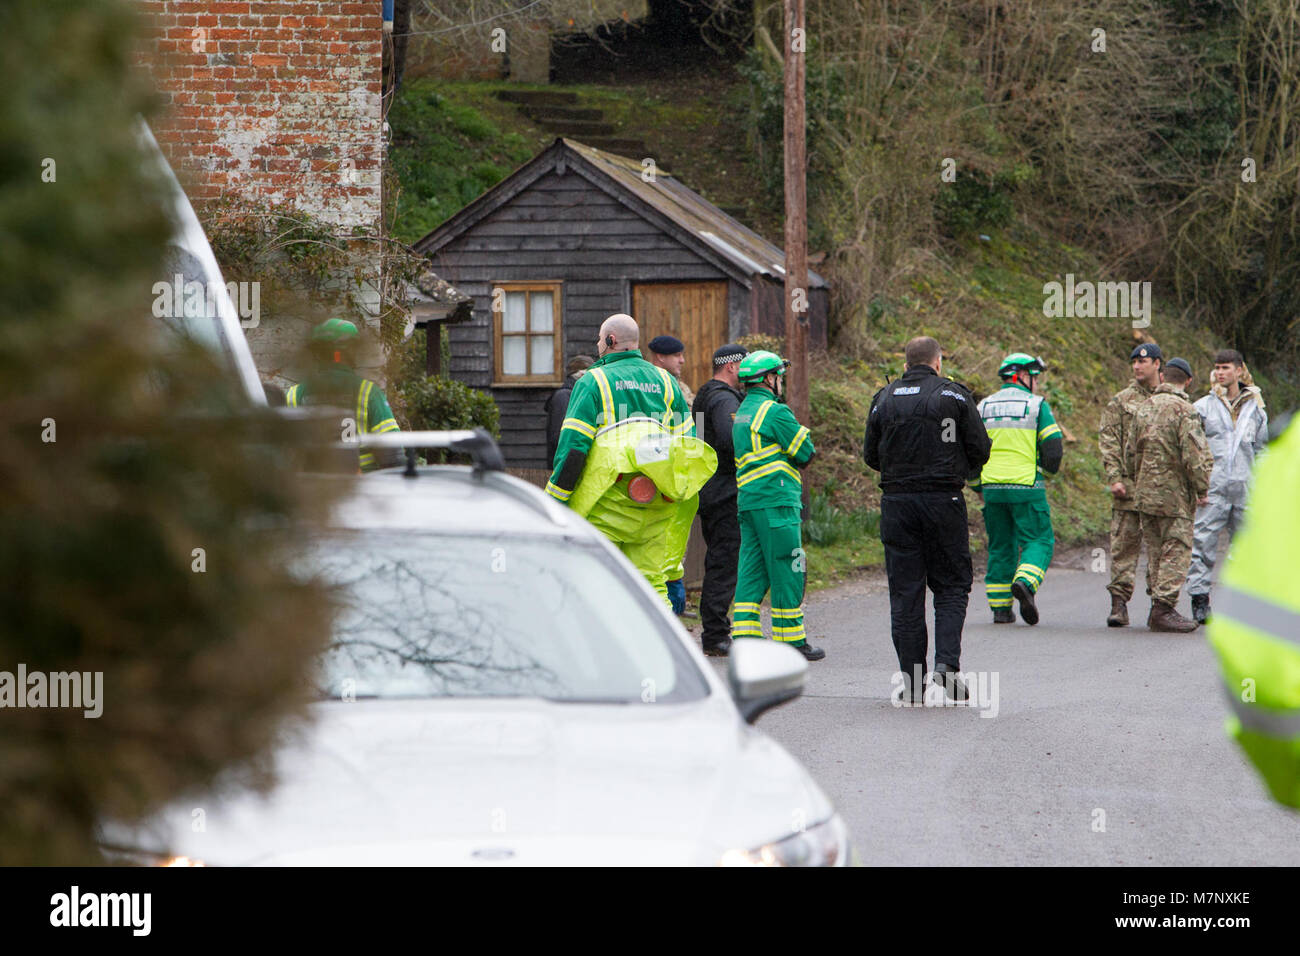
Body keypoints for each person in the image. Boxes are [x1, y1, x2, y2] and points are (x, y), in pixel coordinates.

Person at [546, 314, 714, 605]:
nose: (599, 345)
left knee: (597, 583)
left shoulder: (592, 382)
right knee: (651, 585)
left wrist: (555, 501)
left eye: (600, 340)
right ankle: (655, 647)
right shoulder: (666, 381)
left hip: (607, 502)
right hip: (656, 505)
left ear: (610, 340)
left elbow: (574, 449)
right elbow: (690, 446)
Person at [864, 336, 990, 702]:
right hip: (943, 501)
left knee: (906, 593)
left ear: (906, 365)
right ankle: (946, 665)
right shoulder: (953, 396)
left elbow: (871, 455)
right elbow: (980, 448)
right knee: (951, 585)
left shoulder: (884, 399)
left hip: (897, 504)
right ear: (938, 363)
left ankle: (913, 683)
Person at [1206, 416, 1300, 808]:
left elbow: (1262, 661)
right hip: (1215, 489)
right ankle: (1187, 599)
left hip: (1239, 488)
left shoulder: (1286, 445)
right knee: (1199, 546)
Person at [731, 350, 824, 661]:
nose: (780, 382)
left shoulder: (742, 412)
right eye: (778, 376)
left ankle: (745, 639)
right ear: (769, 379)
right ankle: (792, 641)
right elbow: (806, 453)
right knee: (788, 565)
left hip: (749, 502)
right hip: (777, 501)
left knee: (751, 570)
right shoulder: (775, 412)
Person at [972, 353, 1063, 625]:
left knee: (1001, 546)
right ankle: (1025, 582)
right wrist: (1044, 473)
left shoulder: (982, 406)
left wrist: (977, 484)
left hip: (992, 488)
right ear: (1022, 376)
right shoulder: (1037, 406)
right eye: (1034, 377)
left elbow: (970, 451)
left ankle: (1001, 609)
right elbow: (1053, 449)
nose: (1036, 382)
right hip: (1026, 487)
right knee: (1039, 540)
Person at [1131, 357, 1214, 632]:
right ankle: (1163, 608)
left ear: (1163, 377)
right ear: (1188, 381)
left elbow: (1131, 451)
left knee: (1155, 549)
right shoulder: (1185, 411)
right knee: (1176, 549)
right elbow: (1195, 455)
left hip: (1145, 493)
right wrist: (1202, 487)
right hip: (1174, 495)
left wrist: (1138, 481)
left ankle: (1158, 603)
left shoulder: (1142, 409)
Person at [1188, 349, 1268, 623]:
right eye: (1217, 368)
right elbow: (1193, 449)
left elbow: (1262, 449)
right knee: (1202, 543)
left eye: (1225, 368)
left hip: (1245, 486)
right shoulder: (1202, 407)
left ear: (1238, 370)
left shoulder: (1255, 407)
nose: (1220, 372)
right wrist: (1197, 484)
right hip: (1213, 486)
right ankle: (1199, 600)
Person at [1098, 342, 1163, 627]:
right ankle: (1119, 605)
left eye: (1143, 362)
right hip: (1130, 483)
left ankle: (1160, 605)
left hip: (1162, 487)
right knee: (1123, 546)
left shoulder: (1169, 399)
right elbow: (1109, 439)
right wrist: (1114, 476)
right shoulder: (1121, 401)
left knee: (1161, 548)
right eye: (1134, 362)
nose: (1137, 366)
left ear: (1157, 364)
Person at [691, 344, 748, 656]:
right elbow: (731, 440)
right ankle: (715, 635)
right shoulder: (724, 398)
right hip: (725, 492)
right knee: (724, 562)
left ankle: (717, 631)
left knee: (719, 560)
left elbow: (700, 439)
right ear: (732, 367)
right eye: (745, 368)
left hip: (709, 488)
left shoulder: (703, 395)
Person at [285, 317, 400, 472]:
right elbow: (391, 453)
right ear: (343, 353)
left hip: (312, 489)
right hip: (360, 488)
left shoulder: (294, 394)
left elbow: (284, 451)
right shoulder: (368, 392)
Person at [544, 354, 595, 466]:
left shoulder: (575, 395)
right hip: (563, 466)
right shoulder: (563, 397)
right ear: (582, 374)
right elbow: (559, 436)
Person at [648, 334, 694, 408]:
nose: (682, 360)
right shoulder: (649, 385)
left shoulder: (681, 386)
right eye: (677, 355)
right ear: (661, 357)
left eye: (682, 355)